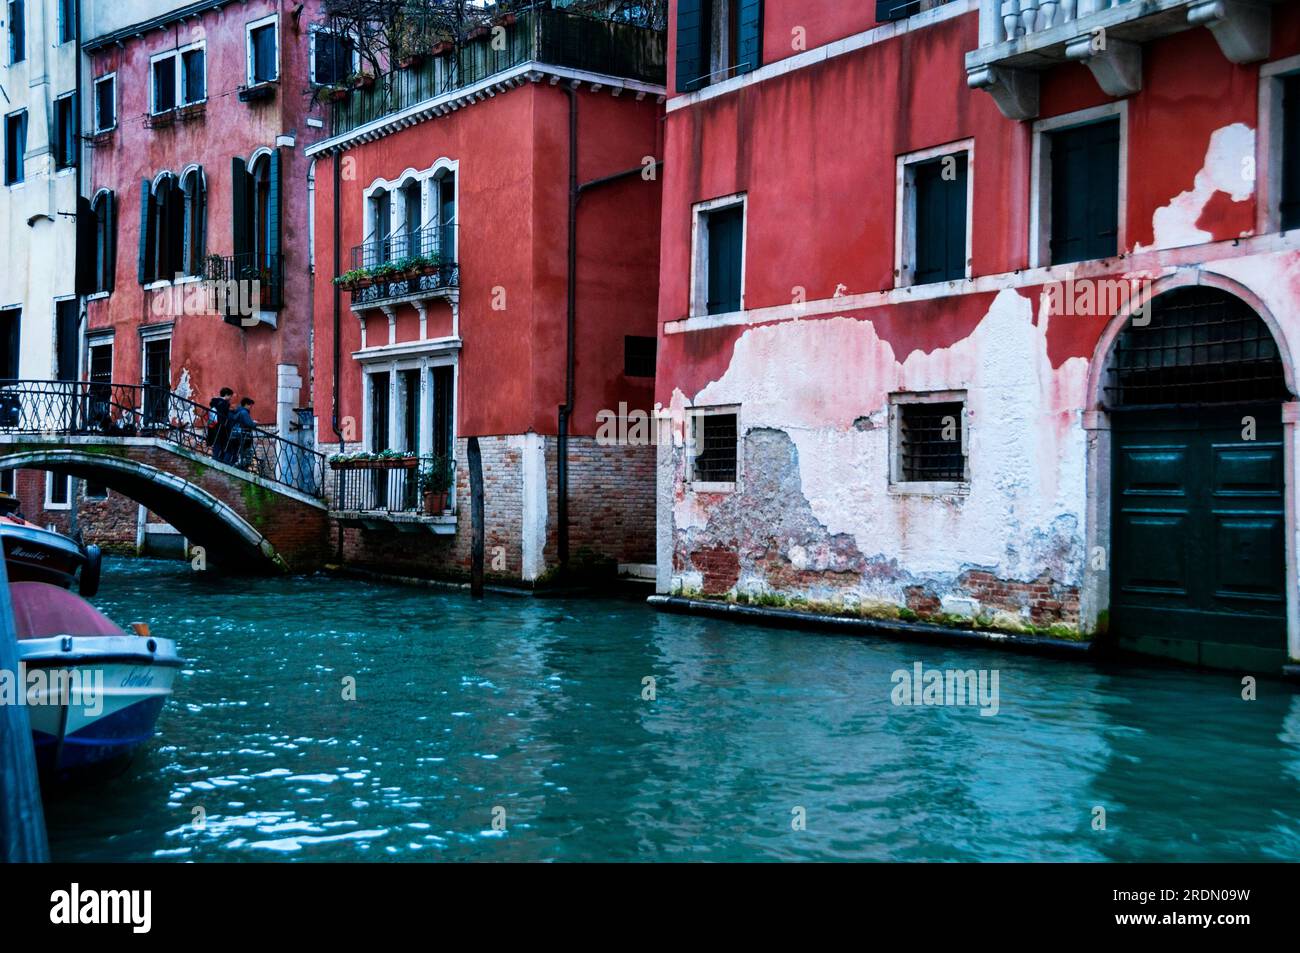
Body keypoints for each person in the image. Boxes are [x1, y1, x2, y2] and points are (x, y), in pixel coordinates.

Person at [229, 397, 258, 471]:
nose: (250, 408)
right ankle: (241, 468)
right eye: (250, 406)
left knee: (237, 452)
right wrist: (254, 423)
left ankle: (235, 466)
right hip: (243, 435)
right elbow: (249, 424)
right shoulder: (244, 412)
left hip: (235, 434)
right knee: (246, 453)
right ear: (246, 404)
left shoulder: (237, 411)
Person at [208, 387, 235, 463]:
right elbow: (223, 415)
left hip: (213, 425)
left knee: (216, 443)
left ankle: (216, 459)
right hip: (221, 426)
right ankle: (217, 461)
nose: (230, 398)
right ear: (226, 395)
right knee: (221, 444)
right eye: (230, 396)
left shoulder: (214, 402)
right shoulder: (224, 404)